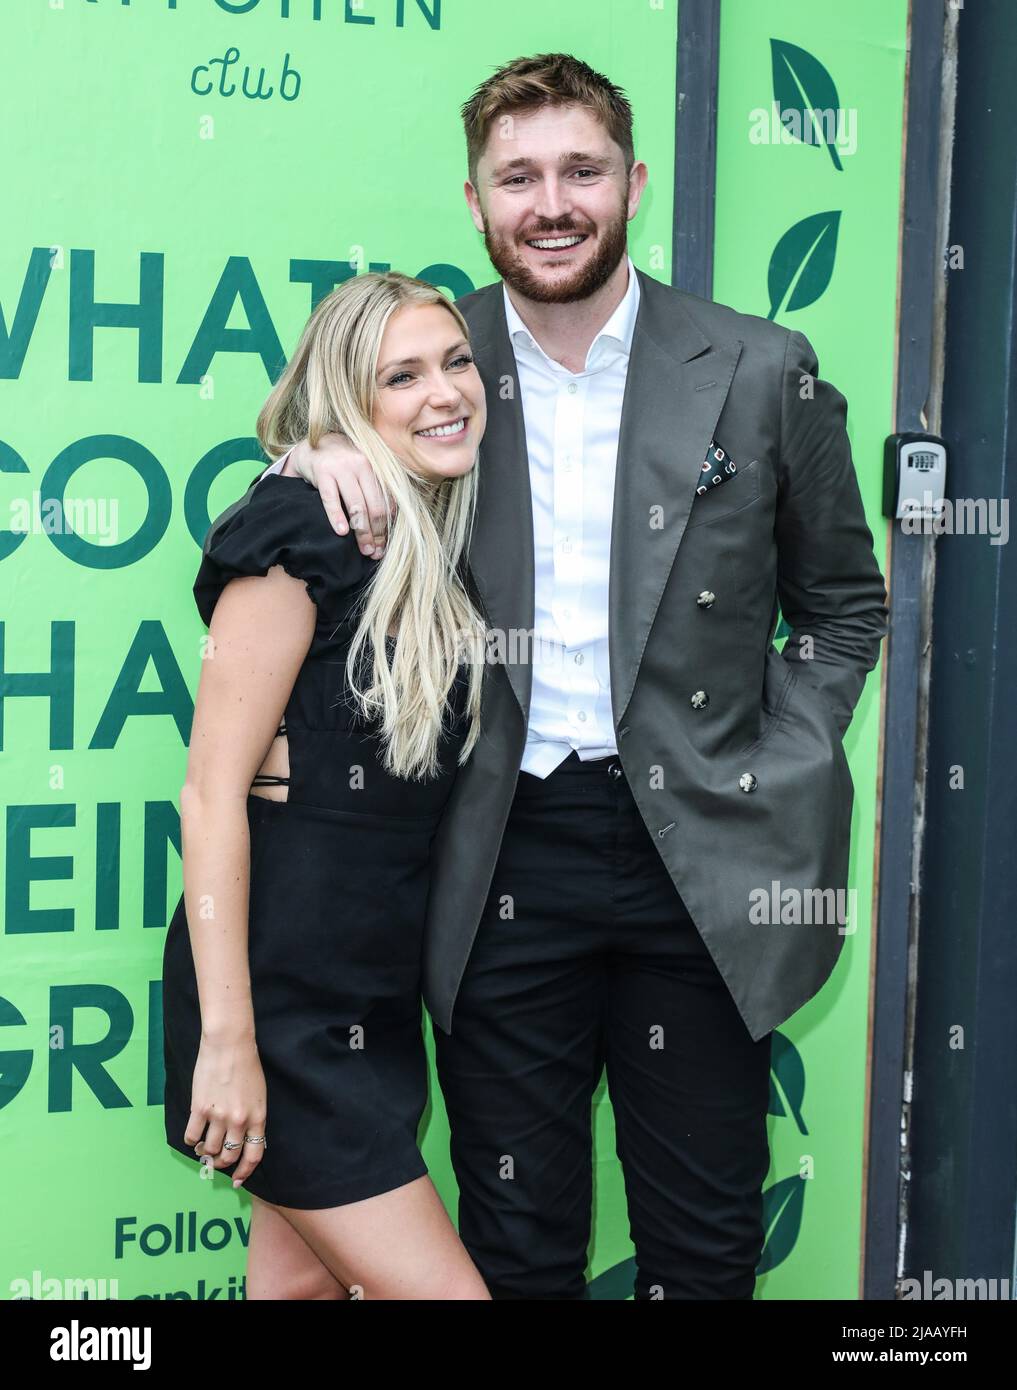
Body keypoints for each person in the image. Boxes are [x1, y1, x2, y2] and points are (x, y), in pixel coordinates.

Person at [257, 54, 889, 1300]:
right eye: (519, 178)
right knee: (515, 1253)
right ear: (477, 202)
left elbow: (844, 605)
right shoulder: (431, 375)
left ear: (634, 185)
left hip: (703, 847)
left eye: (581, 171)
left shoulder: (762, 368)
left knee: (704, 1254)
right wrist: (313, 454)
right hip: (495, 853)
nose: (552, 203)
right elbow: (309, 468)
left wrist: (788, 751)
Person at [161, 271, 492, 1300]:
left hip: (373, 1001)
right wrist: (229, 1041)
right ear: (351, 401)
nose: (443, 392)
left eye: (456, 361)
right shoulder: (298, 533)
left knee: (296, 1293)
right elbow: (211, 793)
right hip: (278, 1008)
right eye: (402, 375)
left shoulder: (431, 544)